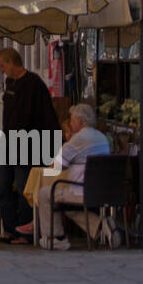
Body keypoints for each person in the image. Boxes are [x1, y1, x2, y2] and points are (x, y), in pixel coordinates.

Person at [0, 47, 60, 244]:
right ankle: (10, 228)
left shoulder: (34, 84)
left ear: (12, 63)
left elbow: (46, 118)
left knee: (24, 188)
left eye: (2, 65)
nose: (1, 70)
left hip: (28, 144)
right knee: (2, 186)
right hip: (8, 143)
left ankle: (24, 231)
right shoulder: (9, 83)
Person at [35, 103, 111, 250]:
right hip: (103, 192)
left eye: (72, 120)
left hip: (82, 191)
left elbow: (57, 165)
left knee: (45, 194)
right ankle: (102, 226)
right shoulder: (102, 138)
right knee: (66, 204)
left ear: (81, 121)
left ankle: (56, 238)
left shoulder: (78, 139)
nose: (70, 123)